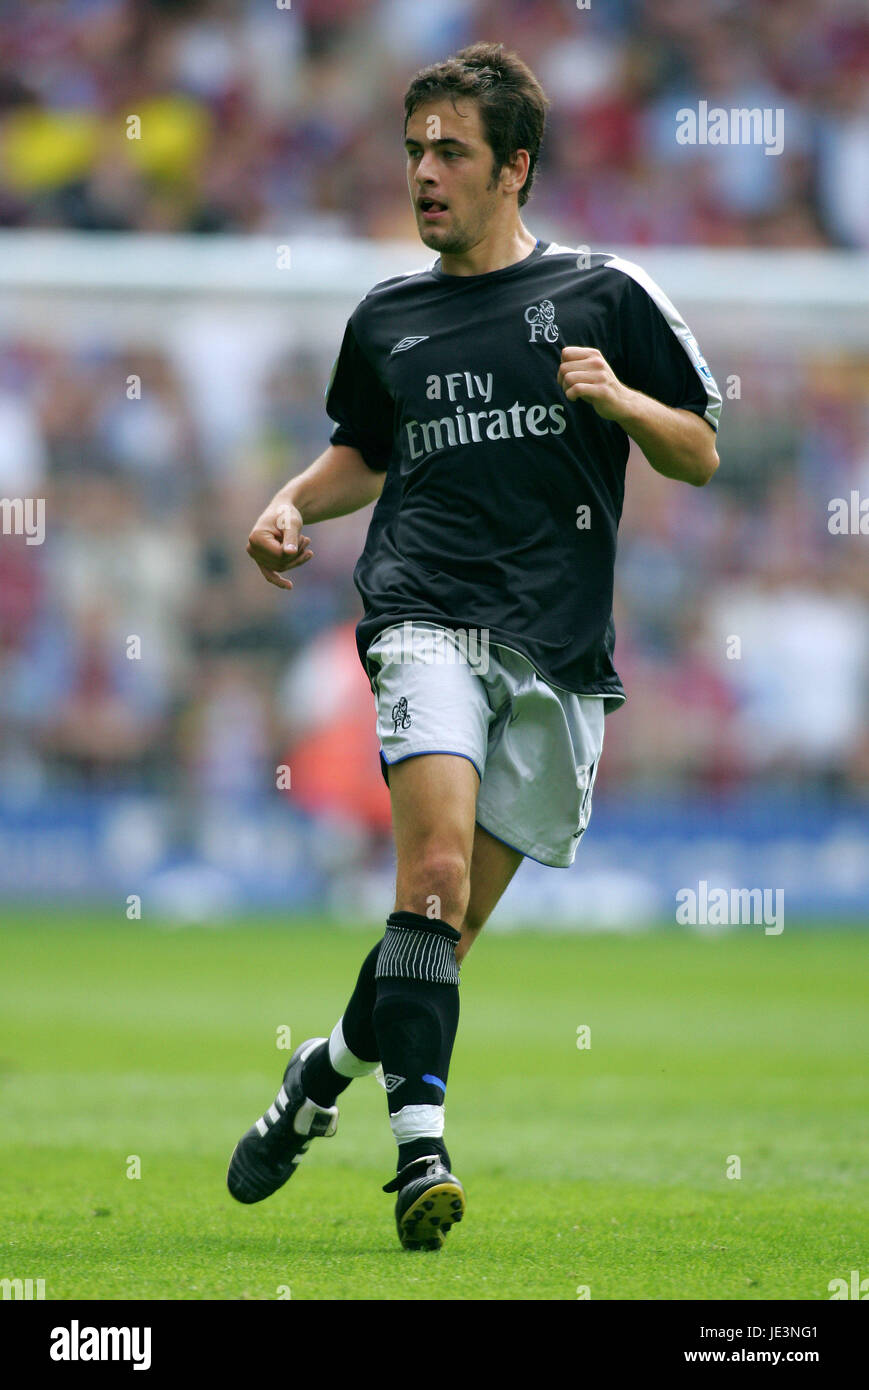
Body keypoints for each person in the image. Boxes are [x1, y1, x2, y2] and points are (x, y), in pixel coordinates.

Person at [227, 42, 721, 1251]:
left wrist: (618, 402)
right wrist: (291, 498)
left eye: (450, 152)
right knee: (430, 877)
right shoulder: (387, 318)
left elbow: (699, 451)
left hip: (556, 654)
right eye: (412, 152)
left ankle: (319, 1073)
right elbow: (363, 449)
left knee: (431, 934)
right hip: (422, 617)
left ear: (515, 167)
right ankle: (421, 1157)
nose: (424, 174)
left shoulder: (607, 295)